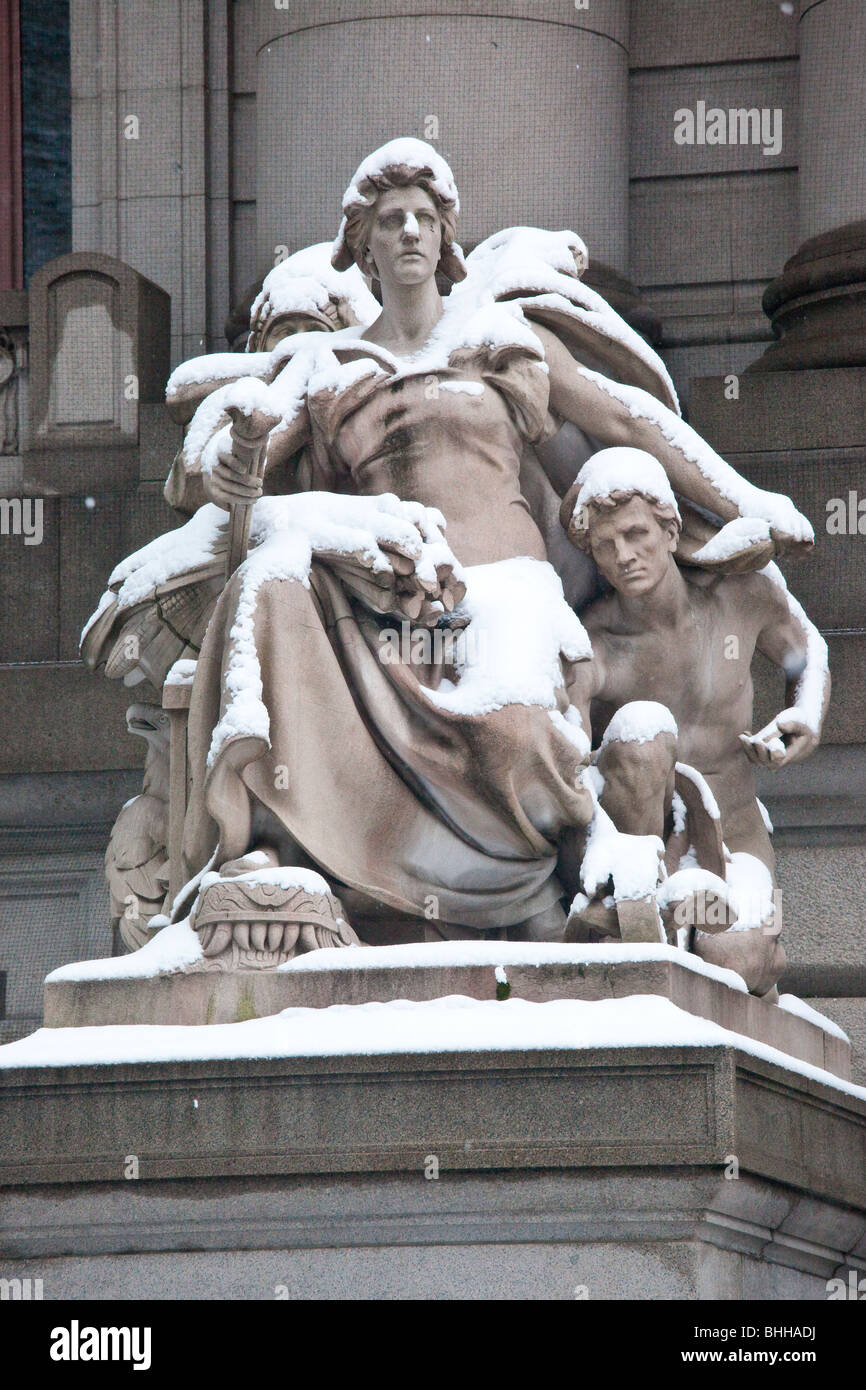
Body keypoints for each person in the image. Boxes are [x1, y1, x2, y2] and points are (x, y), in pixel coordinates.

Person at [83, 139, 818, 953]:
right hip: (390, 610)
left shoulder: (497, 334)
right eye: (389, 220)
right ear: (361, 244)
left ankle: (572, 860)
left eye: (423, 218)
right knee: (274, 577)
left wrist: (745, 499)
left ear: (444, 238)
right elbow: (228, 467)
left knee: (509, 726)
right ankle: (268, 849)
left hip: (506, 594)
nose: (407, 233)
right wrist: (235, 459)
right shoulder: (330, 365)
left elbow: (625, 418)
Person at [562, 447, 829, 995]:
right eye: (605, 546)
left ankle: (741, 946)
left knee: (734, 964)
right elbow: (568, 755)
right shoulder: (598, 646)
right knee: (641, 726)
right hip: (657, 846)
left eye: (636, 534)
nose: (624, 556)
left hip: (739, 836)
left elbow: (809, 652)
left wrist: (805, 714)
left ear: (668, 527)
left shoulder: (744, 594)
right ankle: (644, 914)